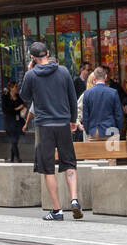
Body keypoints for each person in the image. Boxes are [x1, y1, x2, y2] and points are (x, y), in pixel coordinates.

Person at [20, 41, 83, 221]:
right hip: (63, 123)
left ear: (32, 58)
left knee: (48, 168)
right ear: (48, 53)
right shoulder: (63, 71)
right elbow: (72, 97)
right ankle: (74, 200)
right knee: (69, 163)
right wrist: (72, 121)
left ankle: (57, 210)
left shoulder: (31, 75)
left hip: (44, 126)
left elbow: (25, 96)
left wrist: (29, 71)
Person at [80, 66, 123, 140]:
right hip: (111, 131)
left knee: (94, 152)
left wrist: (88, 131)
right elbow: (118, 115)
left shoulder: (87, 93)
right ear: (105, 77)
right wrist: (119, 130)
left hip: (94, 132)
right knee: (111, 152)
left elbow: (85, 116)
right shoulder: (113, 92)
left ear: (94, 78)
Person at [1, 81, 26, 162]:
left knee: (15, 140)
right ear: (11, 88)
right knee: (13, 140)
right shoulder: (5, 97)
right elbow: (5, 110)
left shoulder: (18, 96)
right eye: (15, 87)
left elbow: (23, 104)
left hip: (18, 121)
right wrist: (17, 109)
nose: (17, 88)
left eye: (17, 86)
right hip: (9, 121)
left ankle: (12, 159)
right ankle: (18, 158)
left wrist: (22, 108)